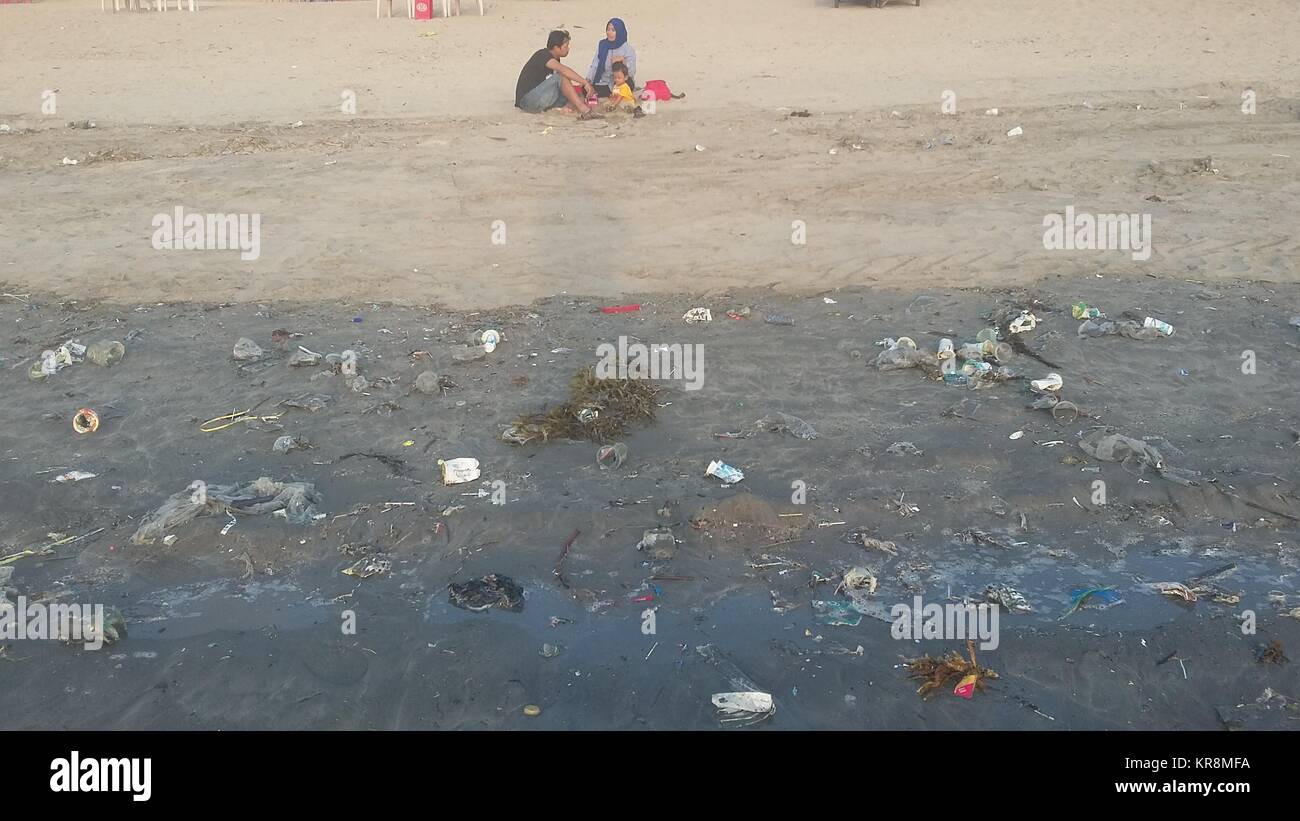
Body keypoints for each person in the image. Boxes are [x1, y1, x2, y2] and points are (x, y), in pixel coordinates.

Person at [515, 30, 600, 118]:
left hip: (541, 97)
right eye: (566, 46)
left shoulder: (555, 59)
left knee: (577, 95)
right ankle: (585, 111)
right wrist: (585, 82)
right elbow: (563, 71)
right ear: (556, 47)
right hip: (527, 101)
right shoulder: (543, 55)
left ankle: (565, 110)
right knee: (561, 77)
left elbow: (564, 84)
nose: (568, 49)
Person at [586, 18, 637, 99]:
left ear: (619, 32)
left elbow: (631, 72)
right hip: (604, 81)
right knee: (586, 89)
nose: (609, 33)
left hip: (620, 81)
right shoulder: (602, 45)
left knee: (625, 87)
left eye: (613, 30)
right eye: (608, 29)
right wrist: (588, 80)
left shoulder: (628, 49)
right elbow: (594, 65)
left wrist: (623, 61)